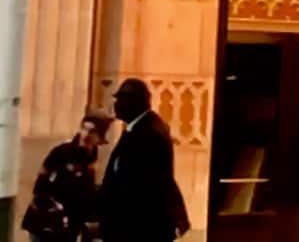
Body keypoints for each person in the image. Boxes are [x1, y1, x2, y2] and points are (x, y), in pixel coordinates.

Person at [99, 78, 189, 242]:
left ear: (134, 102)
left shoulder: (149, 134)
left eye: (121, 99)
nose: (117, 104)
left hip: (139, 229)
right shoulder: (137, 129)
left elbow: (141, 187)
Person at [22, 111, 112, 241]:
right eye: (84, 128)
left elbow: (87, 195)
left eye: (92, 131)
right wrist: (51, 207)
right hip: (46, 225)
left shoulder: (92, 160)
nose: (86, 135)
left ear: (99, 136)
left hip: (69, 228)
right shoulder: (62, 152)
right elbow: (40, 186)